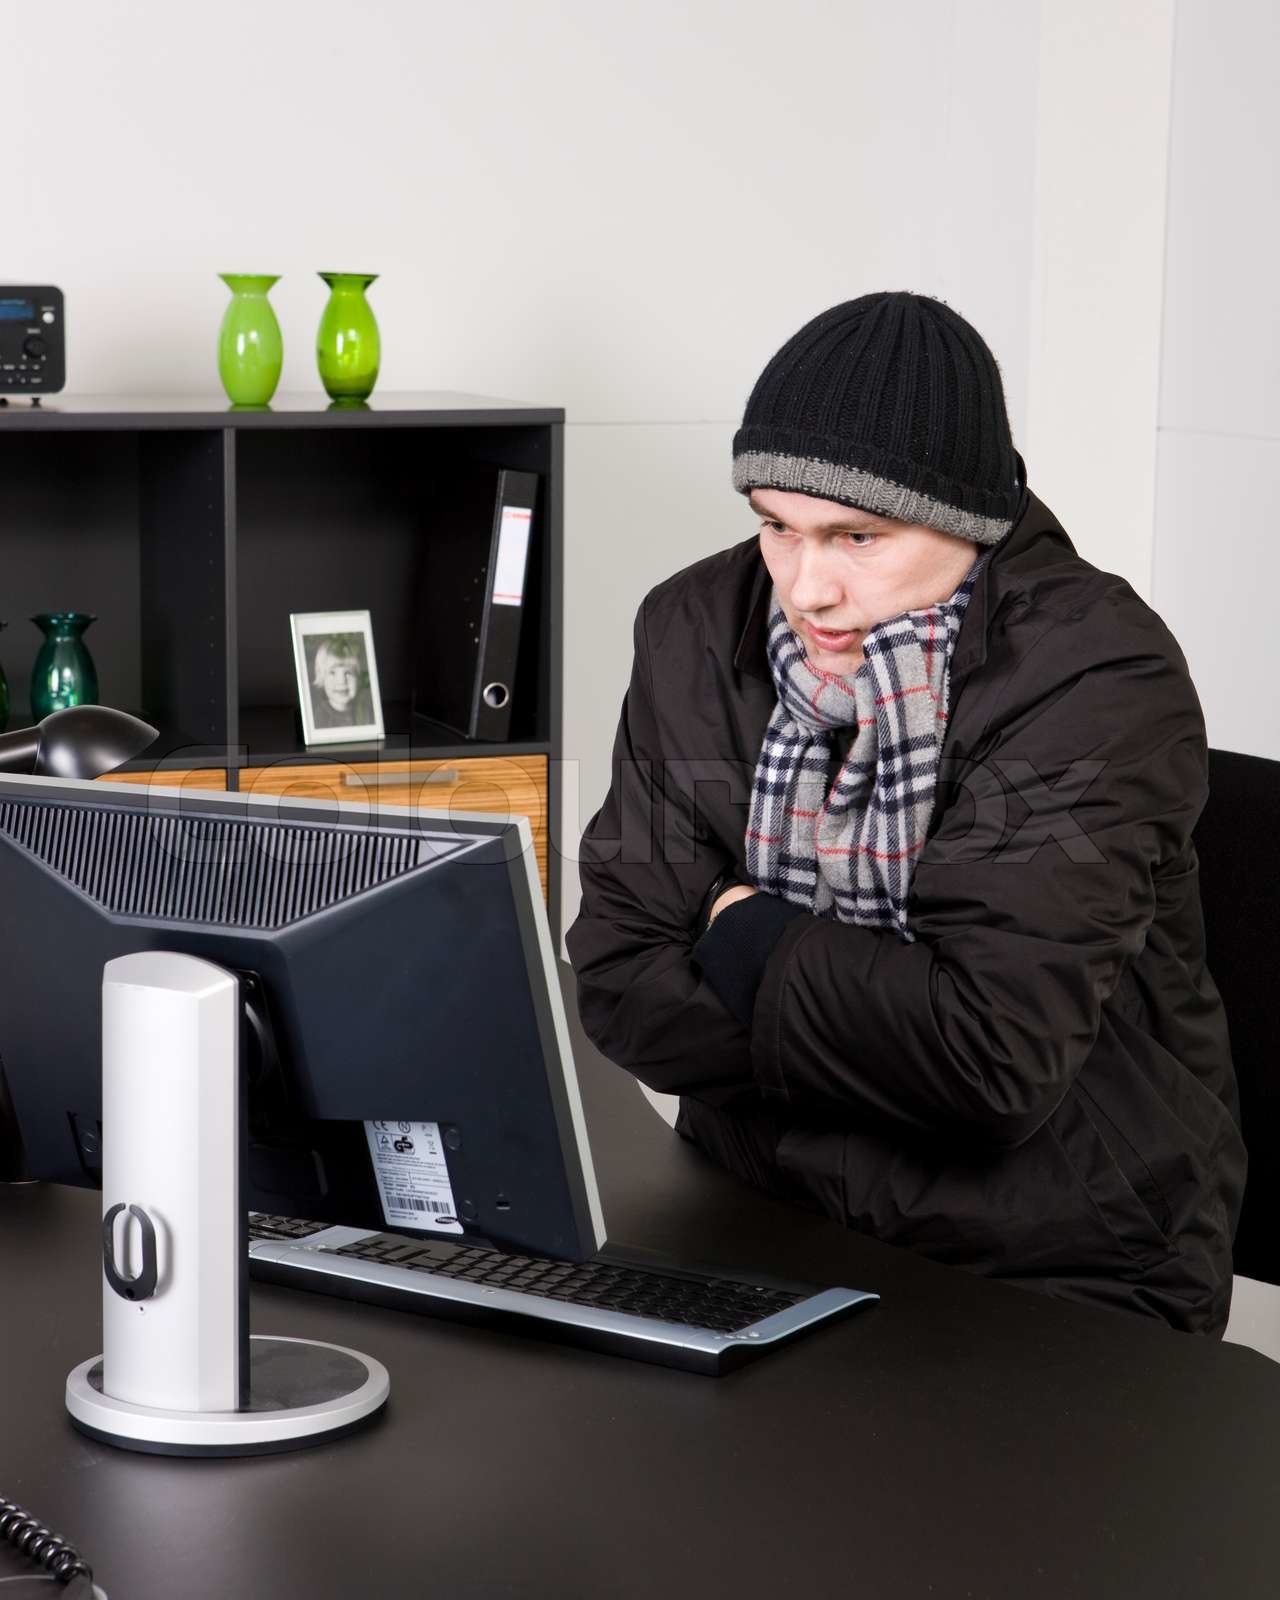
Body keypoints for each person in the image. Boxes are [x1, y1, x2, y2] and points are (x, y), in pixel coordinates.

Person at [565, 291, 1247, 1336]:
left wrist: (742, 933)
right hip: (759, 1216)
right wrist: (882, 1016)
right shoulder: (694, 627)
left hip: (1045, 1257)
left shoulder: (1094, 676)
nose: (805, 589)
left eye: (856, 537)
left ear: (968, 525)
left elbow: (985, 1062)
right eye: (775, 529)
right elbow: (616, 980)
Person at [310, 638, 373, 729]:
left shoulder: (366, 712)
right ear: (322, 678)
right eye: (332, 673)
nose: (341, 680)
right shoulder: (320, 717)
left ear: (358, 678)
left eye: (348, 673)